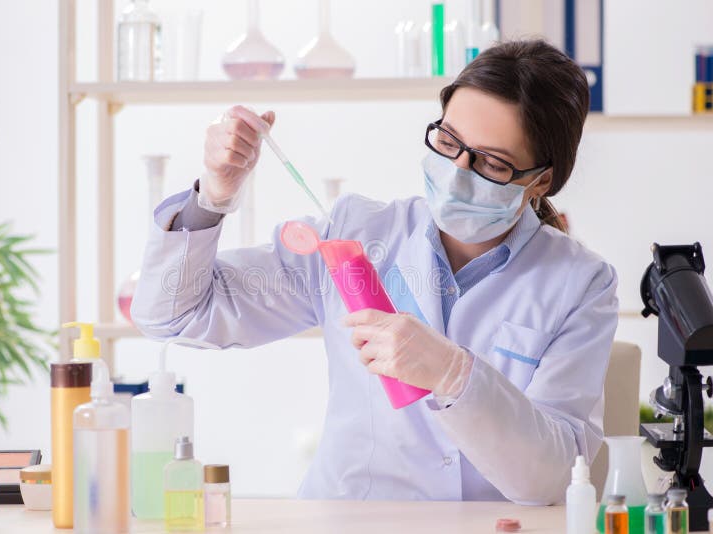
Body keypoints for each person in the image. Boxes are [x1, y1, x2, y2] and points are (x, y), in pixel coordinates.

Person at [131, 39, 618, 505]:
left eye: (492, 162)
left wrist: (453, 374)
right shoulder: (356, 234)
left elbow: (554, 476)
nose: (457, 169)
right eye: (448, 140)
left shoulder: (580, 282)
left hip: (490, 523)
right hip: (349, 517)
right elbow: (172, 316)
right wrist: (212, 199)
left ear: (542, 180)